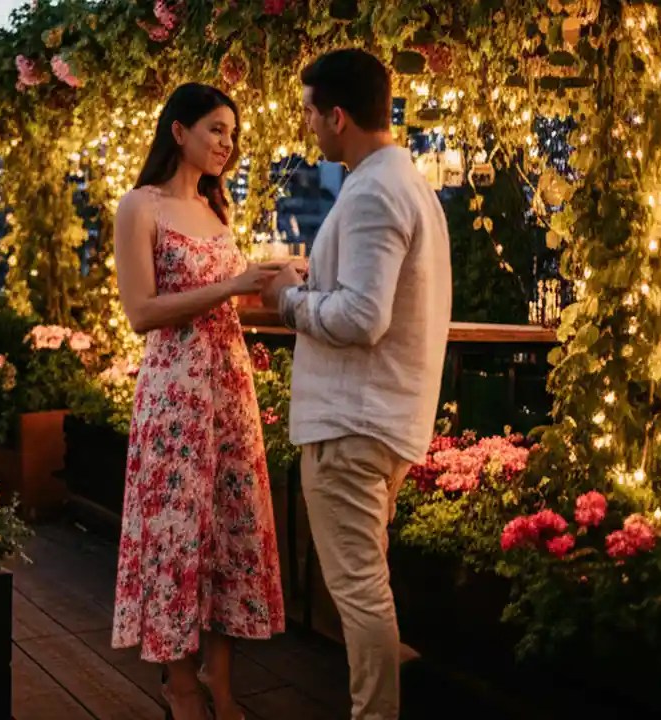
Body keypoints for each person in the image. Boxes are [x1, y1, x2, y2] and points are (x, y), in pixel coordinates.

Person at [261, 48, 453, 720]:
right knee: (365, 585)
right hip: (379, 420)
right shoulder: (402, 182)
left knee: (360, 590)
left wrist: (289, 300)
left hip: (352, 424)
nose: (307, 125)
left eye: (311, 112)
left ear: (337, 115)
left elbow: (363, 316)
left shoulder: (373, 190)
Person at [111, 82, 287, 720]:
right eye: (216, 129)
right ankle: (180, 686)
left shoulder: (220, 209)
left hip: (229, 388)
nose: (227, 144)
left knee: (229, 531)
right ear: (178, 130)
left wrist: (273, 283)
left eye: (232, 133)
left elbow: (229, 298)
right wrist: (233, 284)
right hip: (175, 392)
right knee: (177, 533)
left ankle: (221, 678)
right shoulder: (140, 207)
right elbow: (140, 312)